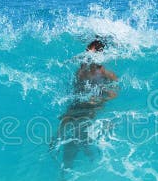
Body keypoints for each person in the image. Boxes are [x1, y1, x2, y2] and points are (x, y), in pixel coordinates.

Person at [51, 38, 118, 170]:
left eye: (91, 52)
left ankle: (83, 159)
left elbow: (114, 93)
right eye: (87, 51)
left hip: (91, 108)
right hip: (76, 106)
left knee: (76, 136)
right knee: (65, 130)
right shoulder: (81, 71)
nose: (88, 55)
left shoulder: (105, 73)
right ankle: (82, 157)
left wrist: (100, 99)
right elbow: (75, 89)